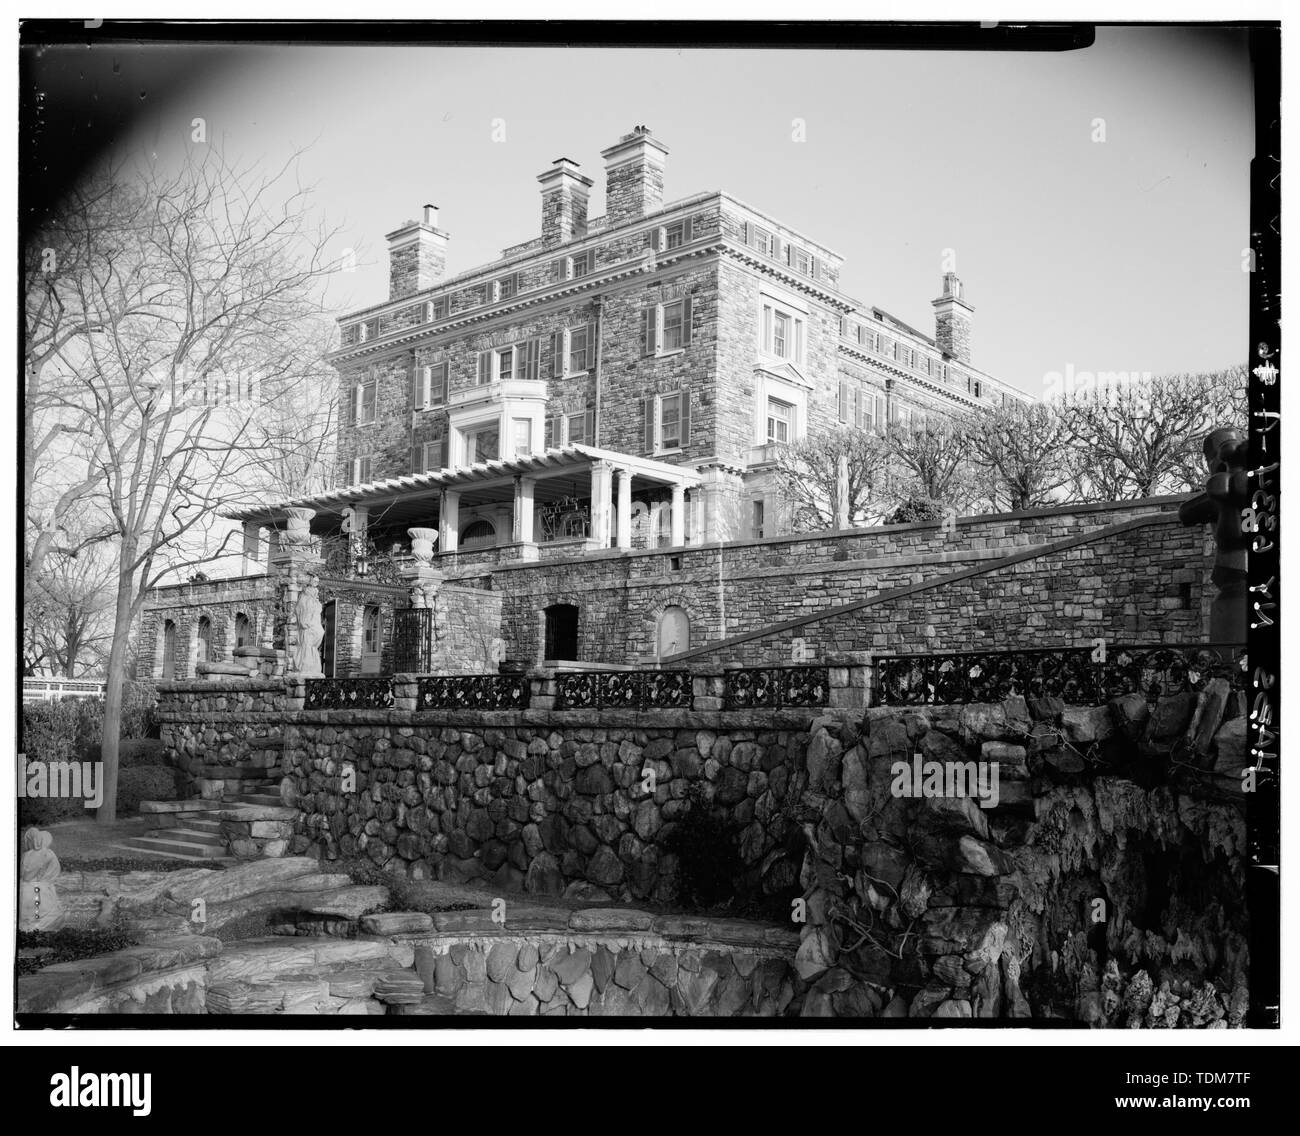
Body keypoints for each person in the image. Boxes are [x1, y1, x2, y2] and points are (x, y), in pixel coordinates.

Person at [19, 827, 63, 931]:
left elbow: (23, 875)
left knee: (27, 920)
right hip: (40, 889)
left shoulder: (26, 855)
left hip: (25, 888)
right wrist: (45, 881)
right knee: (50, 915)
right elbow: (55, 871)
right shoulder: (48, 854)